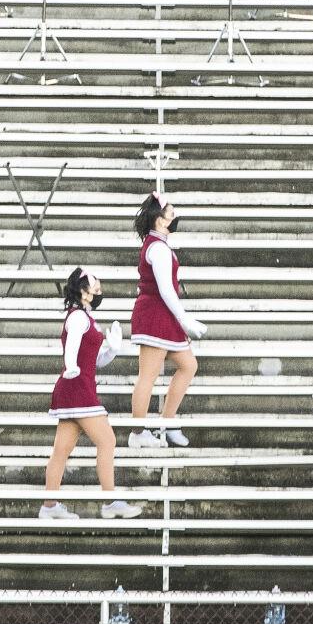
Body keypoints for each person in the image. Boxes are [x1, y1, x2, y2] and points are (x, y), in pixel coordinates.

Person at [43, 267, 140, 521]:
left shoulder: (85, 317)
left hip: (76, 386)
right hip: (77, 388)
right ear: (83, 291)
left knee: (61, 450)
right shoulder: (78, 318)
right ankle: (110, 501)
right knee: (107, 440)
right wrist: (71, 364)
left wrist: (112, 350)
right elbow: (73, 344)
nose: (99, 290)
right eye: (94, 286)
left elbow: (94, 361)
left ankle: (49, 505)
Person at [126, 192, 206, 449]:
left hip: (163, 315)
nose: (174, 214)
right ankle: (137, 433)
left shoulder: (158, 243)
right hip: (154, 315)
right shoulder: (157, 247)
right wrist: (185, 319)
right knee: (147, 376)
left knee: (188, 365)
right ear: (159, 220)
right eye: (169, 210)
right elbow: (165, 290)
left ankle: (167, 422)